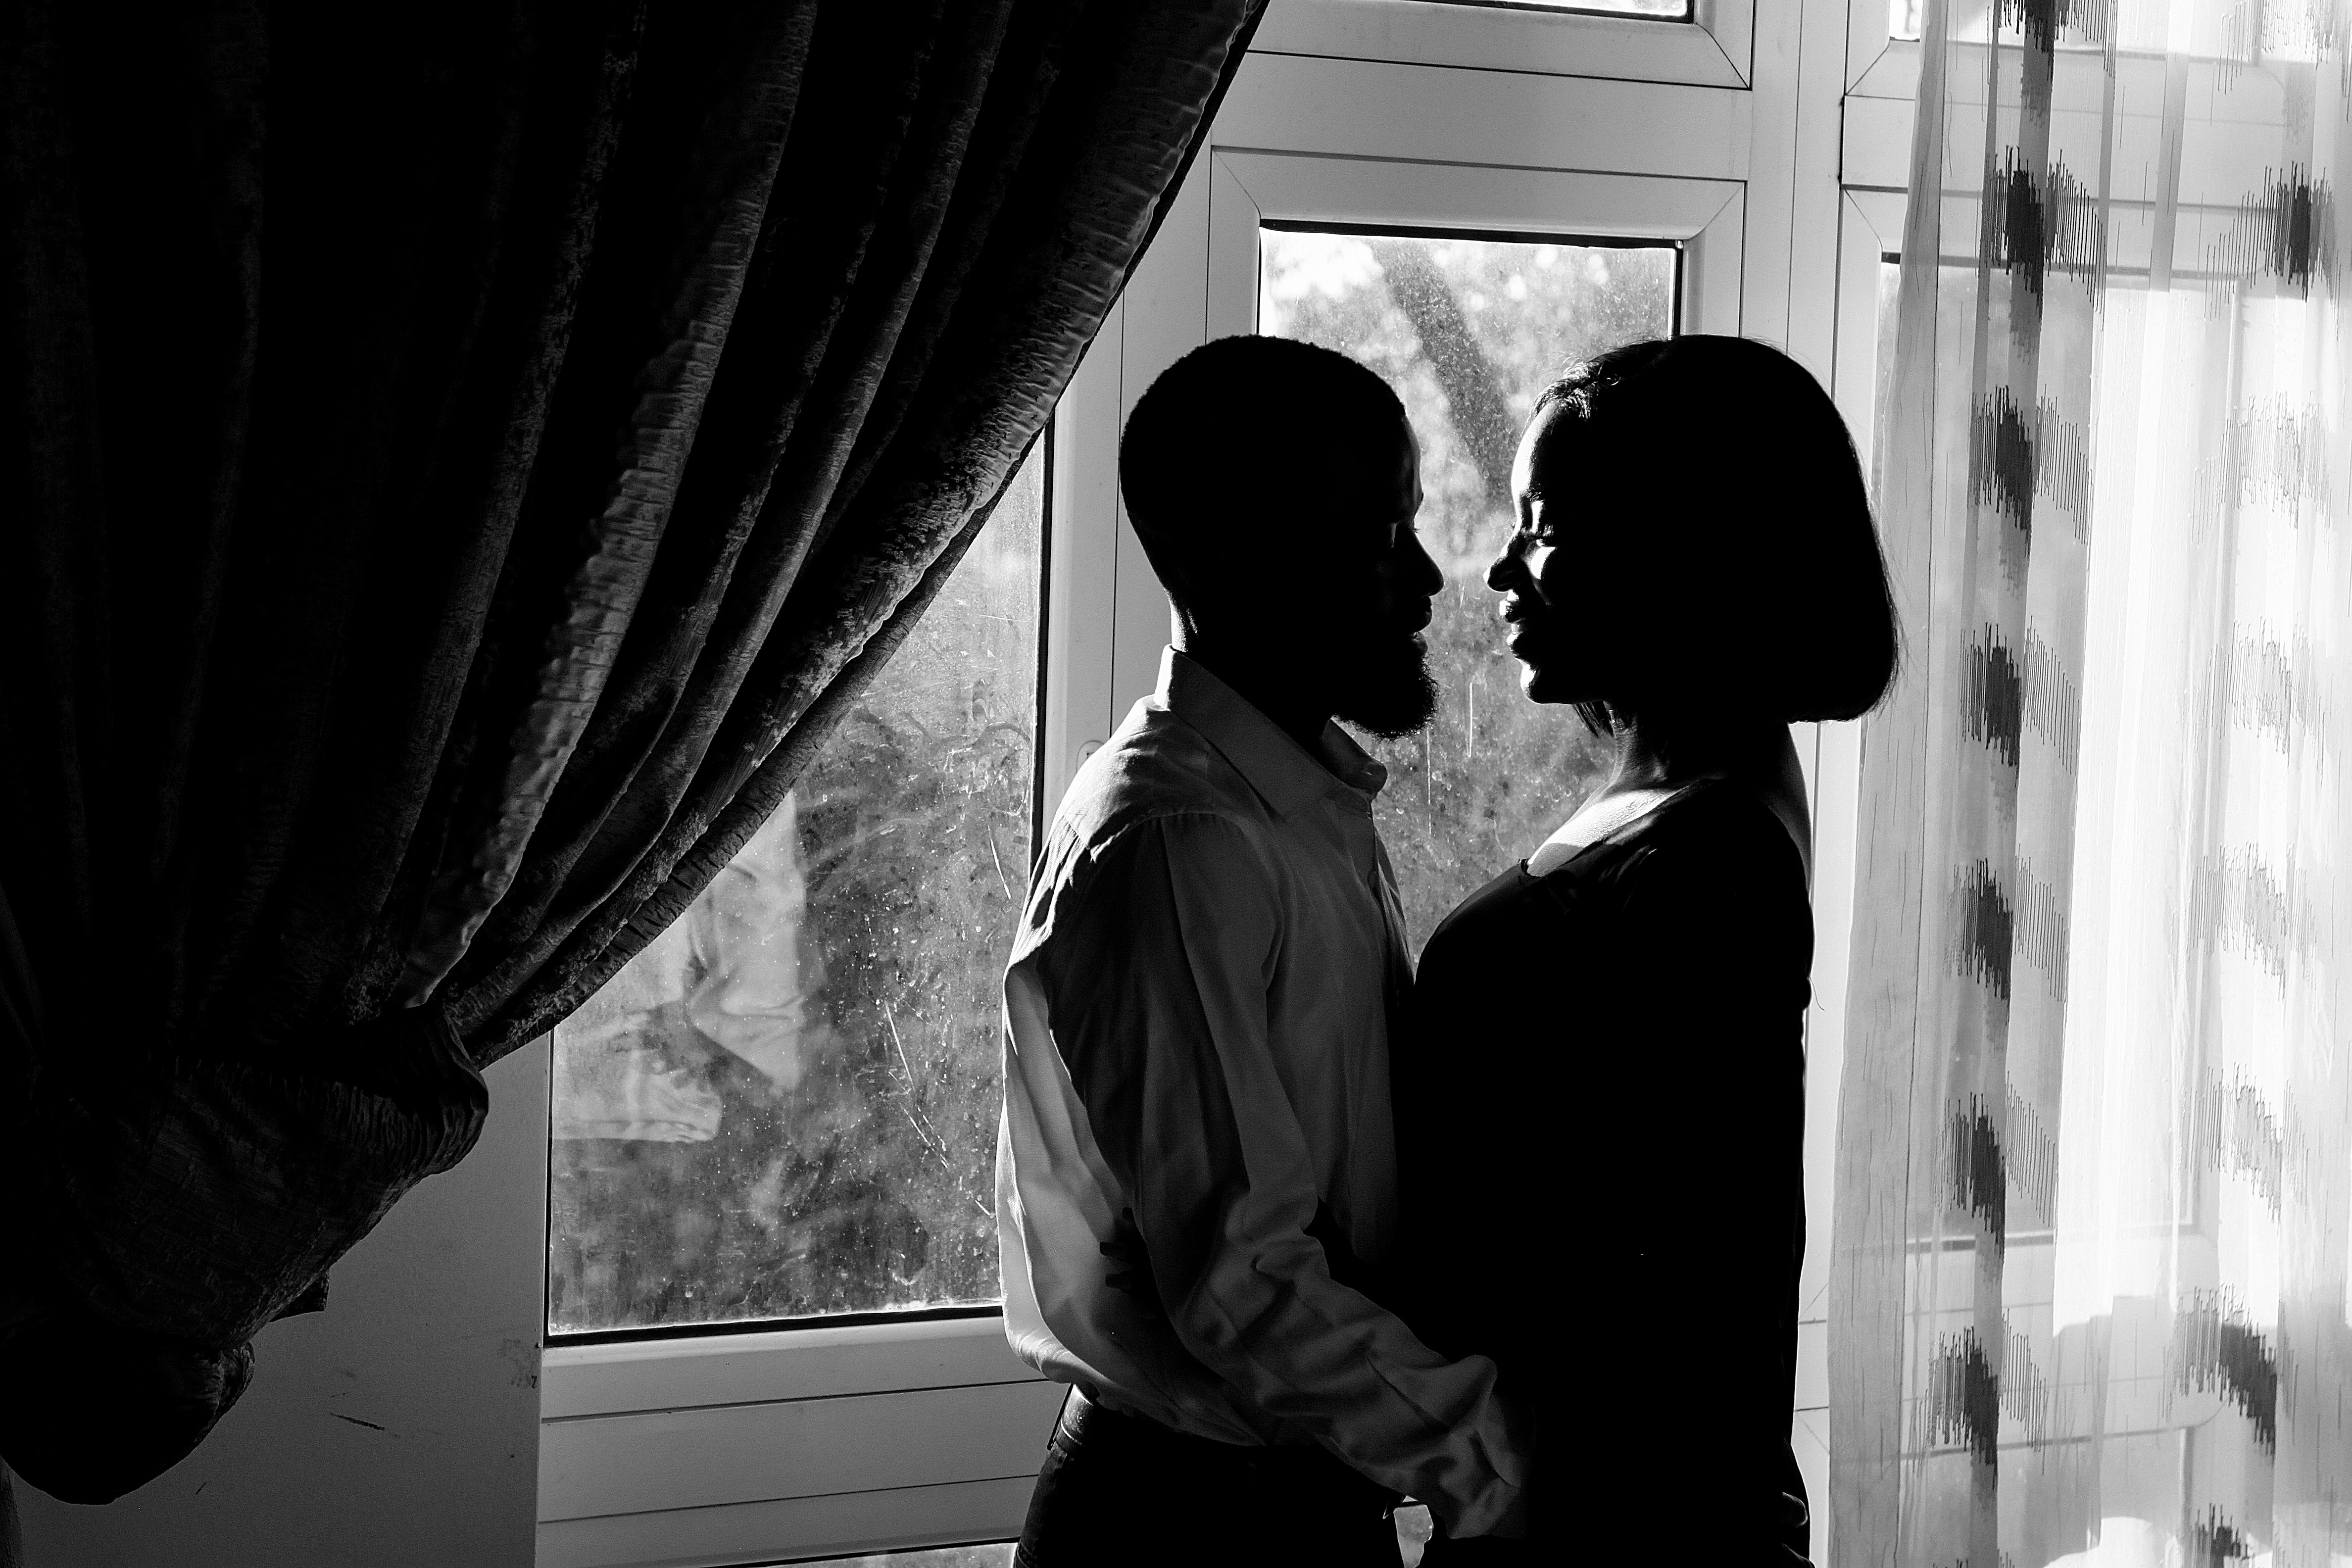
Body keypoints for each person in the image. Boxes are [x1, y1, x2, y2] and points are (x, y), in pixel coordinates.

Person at [997, 335, 1531, 1564]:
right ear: (1212, 559)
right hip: (1196, 1538)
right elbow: (1248, 1283)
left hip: (1281, 1506)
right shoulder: (1187, 844)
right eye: (1372, 534)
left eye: (1409, 522)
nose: (1430, 579)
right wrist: (1500, 1468)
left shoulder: (1288, 809)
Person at [1392, 336, 1899, 1562]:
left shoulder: (1710, 854)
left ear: (1681, 548)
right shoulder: (1667, 789)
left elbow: (1693, 1283)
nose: (1504, 569)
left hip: (1619, 1524)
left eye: (1545, 529)